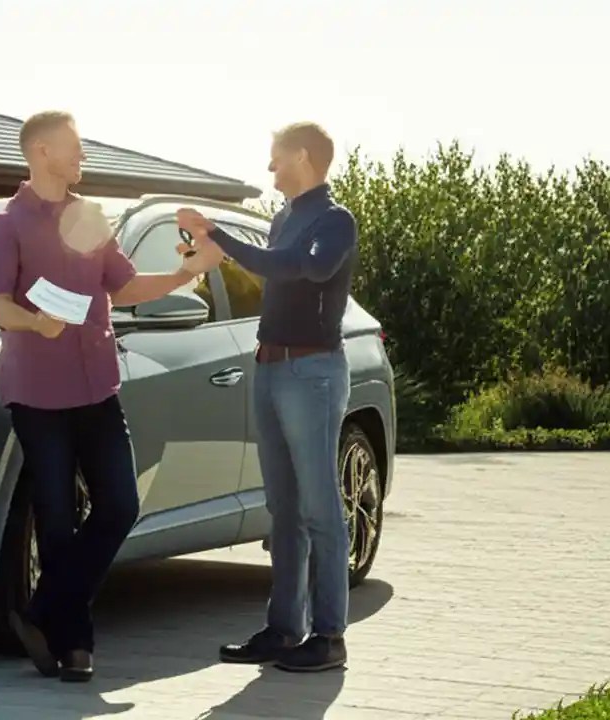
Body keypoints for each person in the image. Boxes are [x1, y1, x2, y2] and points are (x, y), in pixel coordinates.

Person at [0, 110, 222, 682]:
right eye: (74, 148)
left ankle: (41, 612)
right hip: (38, 394)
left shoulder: (89, 216)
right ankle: (75, 645)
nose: (82, 157)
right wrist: (36, 324)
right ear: (41, 152)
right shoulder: (4, 225)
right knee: (57, 519)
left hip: (97, 387)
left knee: (120, 505)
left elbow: (126, 285)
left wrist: (185, 274)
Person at [176, 121, 358, 673]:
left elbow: (309, 267)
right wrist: (208, 255)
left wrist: (225, 240)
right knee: (282, 508)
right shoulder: (285, 217)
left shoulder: (335, 220)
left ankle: (329, 637)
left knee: (320, 506)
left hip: (313, 373)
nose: (270, 169)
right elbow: (271, 272)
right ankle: (284, 629)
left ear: (302, 157)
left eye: (276, 159)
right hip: (270, 368)